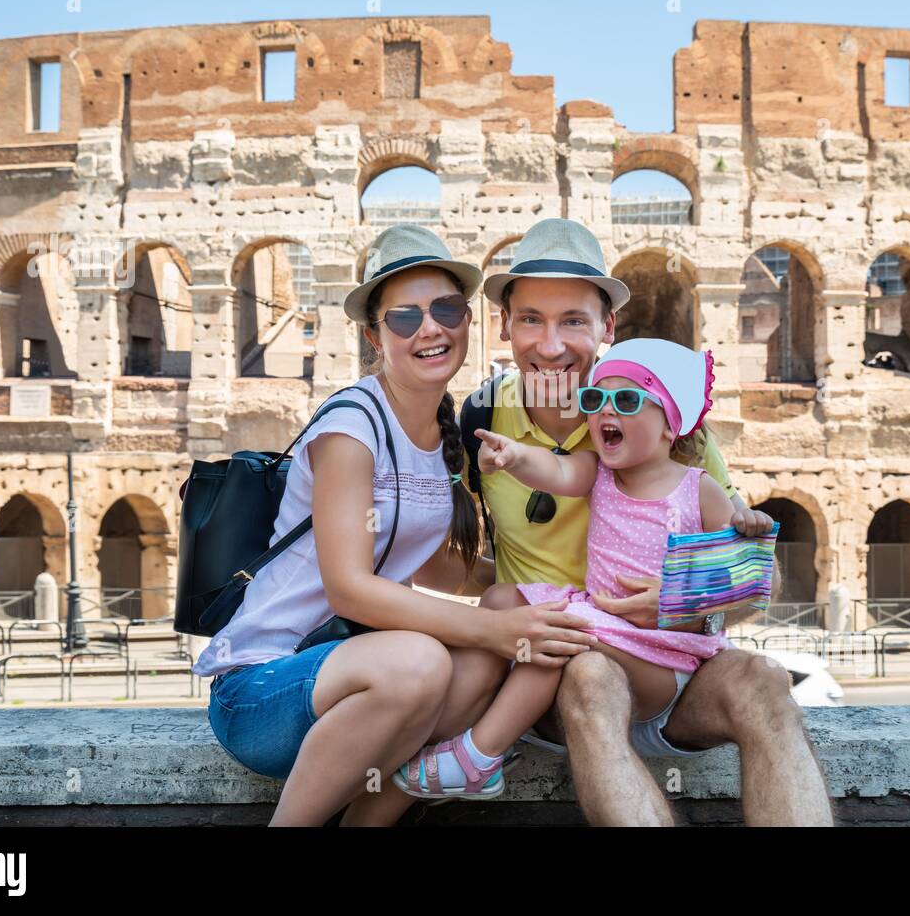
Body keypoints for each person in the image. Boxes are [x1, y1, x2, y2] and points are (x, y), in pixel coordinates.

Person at [192, 224, 595, 826]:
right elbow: (349, 589)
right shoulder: (351, 429)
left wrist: (544, 594)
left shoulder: (439, 430)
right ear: (374, 336)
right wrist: (495, 628)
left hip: (347, 681)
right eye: (405, 318)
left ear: (468, 321)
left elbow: (431, 562)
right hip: (263, 689)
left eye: (447, 310)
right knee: (426, 659)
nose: (430, 329)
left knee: (484, 651)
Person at [467, 218, 833, 826]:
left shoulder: (675, 430)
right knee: (588, 674)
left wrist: (684, 599)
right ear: (504, 325)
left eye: (574, 321)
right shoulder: (478, 421)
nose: (551, 345)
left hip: (674, 671)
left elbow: (746, 572)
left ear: (607, 327)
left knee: (765, 681)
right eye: (531, 318)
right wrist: (508, 612)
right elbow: (445, 557)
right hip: (564, 682)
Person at [392, 338, 747, 799]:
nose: (605, 412)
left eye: (626, 400)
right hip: (602, 622)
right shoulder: (598, 472)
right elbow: (556, 473)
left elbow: (739, 570)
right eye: (594, 399)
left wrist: (744, 533)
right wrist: (516, 457)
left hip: (662, 651)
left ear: (670, 425)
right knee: (502, 599)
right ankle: (470, 732)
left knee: (551, 634)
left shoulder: (698, 488)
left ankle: (480, 754)